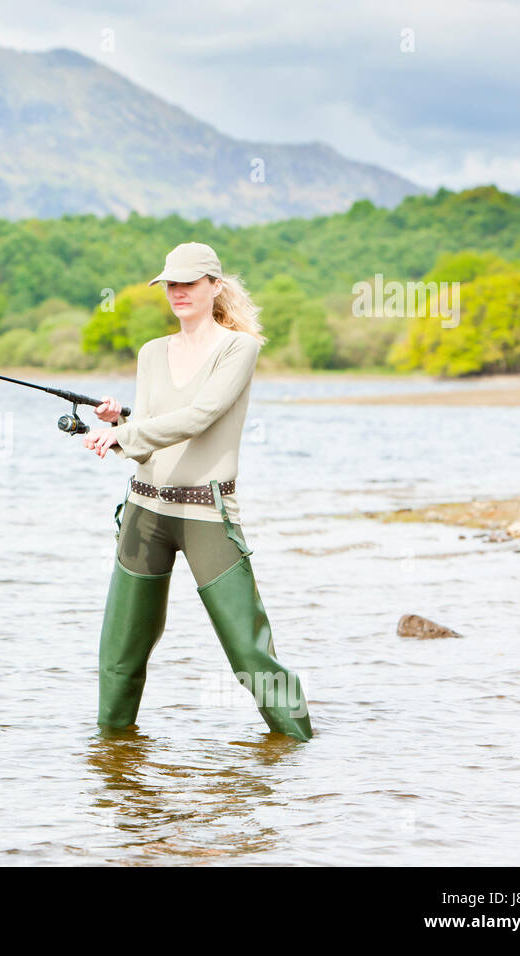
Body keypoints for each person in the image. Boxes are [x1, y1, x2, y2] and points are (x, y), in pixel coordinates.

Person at [81, 241, 313, 742]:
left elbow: (200, 416)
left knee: (250, 653)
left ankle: (302, 749)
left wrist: (123, 433)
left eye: (189, 282)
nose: (178, 292)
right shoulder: (150, 353)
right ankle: (113, 766)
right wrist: (123, 421)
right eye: (171, 284)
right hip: (144, 511)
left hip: (208, 513)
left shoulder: (239, 348)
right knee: (119, 655)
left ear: (214, 285)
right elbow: (148, 439)